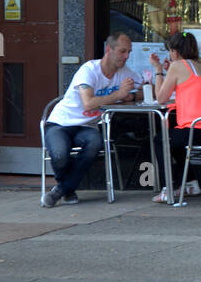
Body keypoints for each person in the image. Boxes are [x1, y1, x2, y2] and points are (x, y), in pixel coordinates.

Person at [42, 32, 141, 207]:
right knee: (59, 155)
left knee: (95, 144)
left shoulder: (124, 72)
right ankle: (68, 189)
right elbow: (88, 103)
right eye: (122, 51)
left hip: (87, 126)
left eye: (129, 52)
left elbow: (148, 89)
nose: (126, 57)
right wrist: (118, 94)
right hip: (60, 122)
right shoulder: (89, 70)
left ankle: (60, 190)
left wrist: (130, 97)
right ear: (108, 50)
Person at [148, 31, 201, 203]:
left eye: (170, 51)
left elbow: (161, 98)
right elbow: (190, 86)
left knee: (161, 140)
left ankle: (167, 187)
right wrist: (171, 73)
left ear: (174, 52)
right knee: (176, 141)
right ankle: (191, 183)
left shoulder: (178, 66)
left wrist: (159, 70)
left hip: (197, 130)